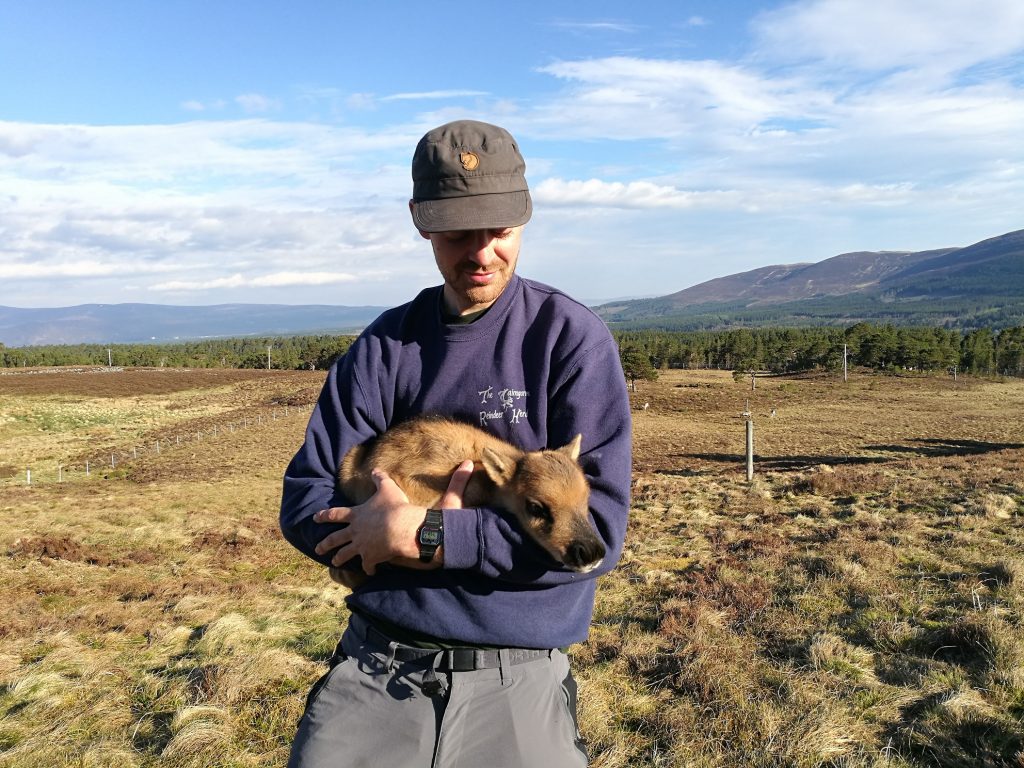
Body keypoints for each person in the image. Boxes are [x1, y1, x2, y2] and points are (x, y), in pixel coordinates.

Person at [280, 119, 632, 767]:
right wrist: (363, 539)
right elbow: (304, 501)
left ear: (524, 219)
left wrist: (427, 538)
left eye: (498, 230)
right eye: (456, 232)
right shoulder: (384, 348)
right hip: (380, 662)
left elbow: (595, 538)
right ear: (420, 221)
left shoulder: (570, 340)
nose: (481, 252)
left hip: (517, 678)